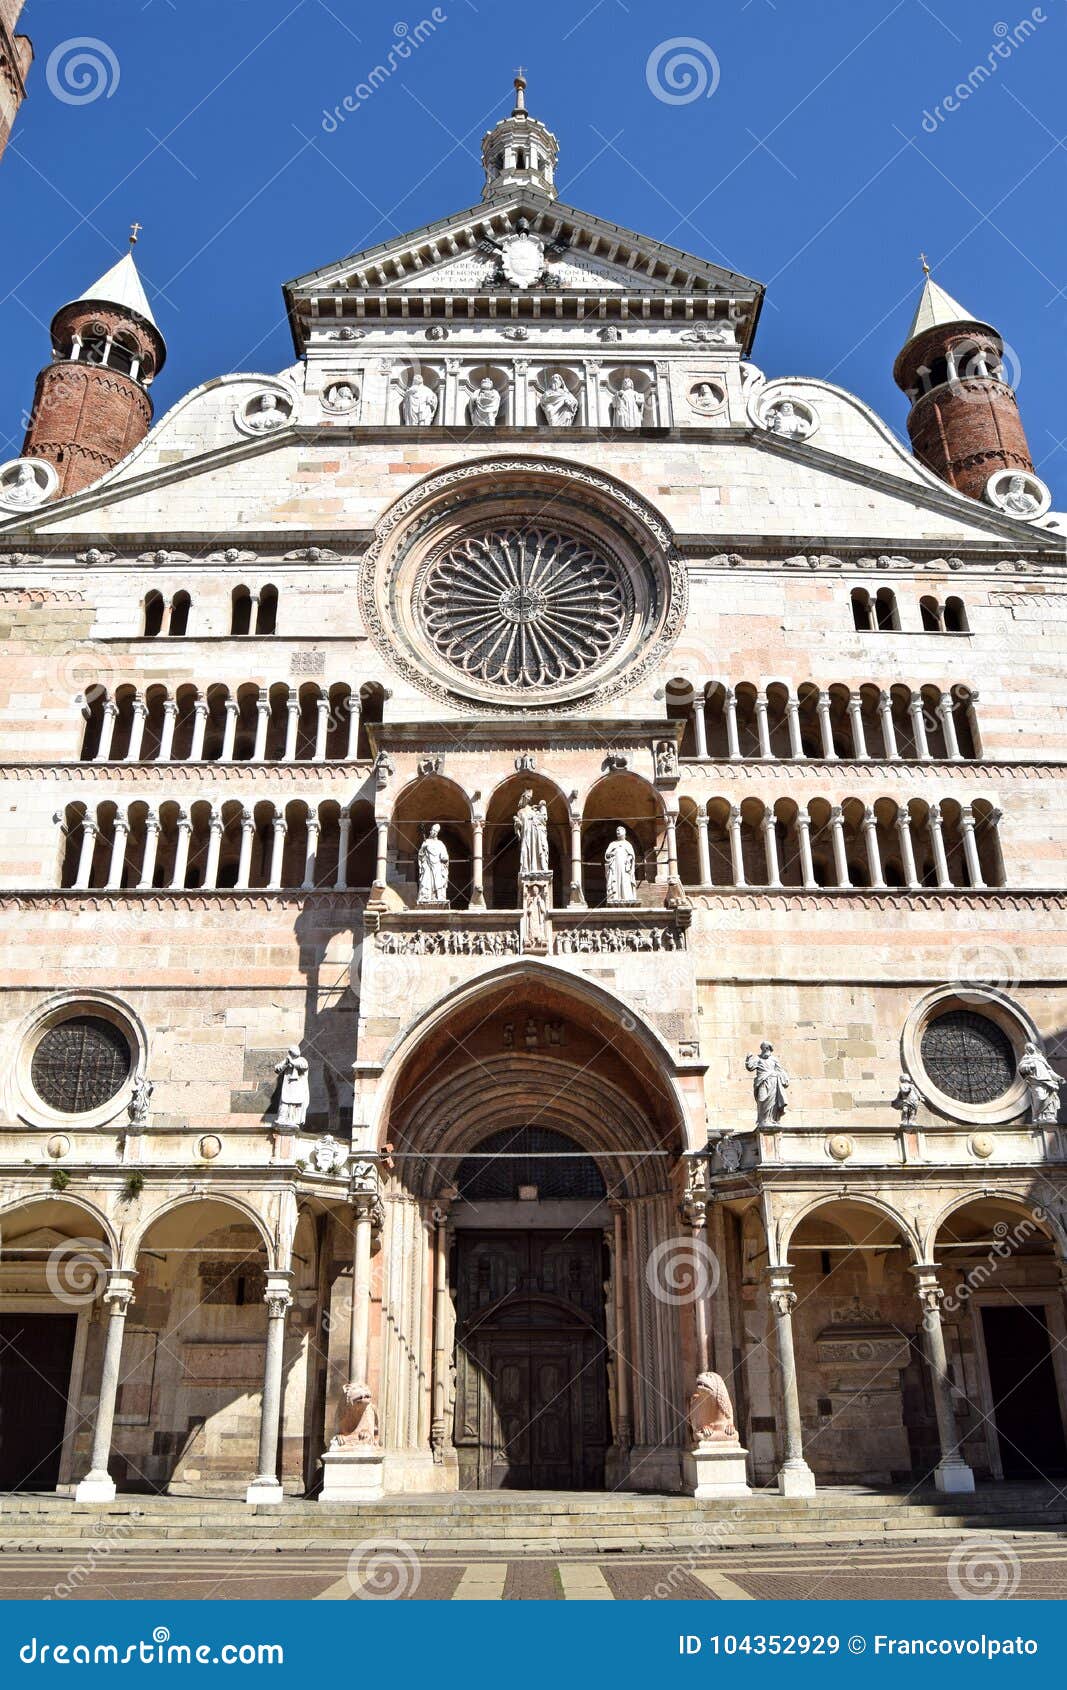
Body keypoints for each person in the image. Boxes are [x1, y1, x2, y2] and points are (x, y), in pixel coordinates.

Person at [745, 1041, 789, 1126]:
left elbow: (780, 1070)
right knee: (762, 1100)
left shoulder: (774, 1059)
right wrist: (748, 1059)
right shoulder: (758, 1058)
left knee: (773, 1102)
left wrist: (785, 1078)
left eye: (767, 1048)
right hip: (762, 1082)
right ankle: (763, 1120)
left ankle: (772, 1119)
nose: (765, 1050)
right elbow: (750, 1067)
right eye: (764, 1048)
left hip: (774, 1082)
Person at [1019, 1040, 1062, 1123]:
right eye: (1027, 1047)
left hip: (1047, 1080)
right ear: (1027, 1050)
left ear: (1034, 1047)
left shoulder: (1040, 1058)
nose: (1030, 1048)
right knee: (1039, 1097)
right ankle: (1038, 1116)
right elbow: (1021, 1068)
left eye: (1031, 1046)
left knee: (1050, 1098)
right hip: (1036, 1080)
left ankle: (1048, 1116)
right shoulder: (1026, 1058)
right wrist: (1028, 1067)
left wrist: (1058, 1078)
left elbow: (1049, 1070)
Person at [514, 789, 549, 876]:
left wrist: (542, 809)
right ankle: (527, 868)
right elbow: (519, 828)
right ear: (523, 797)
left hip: (536, 833)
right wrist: (517, 824)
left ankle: (538, 867)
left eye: (530, 797)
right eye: (528, 796)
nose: (529, 798)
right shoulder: (520, 812)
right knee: (525, 850)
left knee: (539, 849)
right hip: (527, 834)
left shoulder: (533, 810)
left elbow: (543, 820)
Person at [417, 823, 450, 905]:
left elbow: (445, 856)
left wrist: (444, 858)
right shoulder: (426, 842)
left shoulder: (440, 843)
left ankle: (438, 897)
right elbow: (420, 856)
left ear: (437, 833)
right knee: (426, 881)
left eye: (436, 831)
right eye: (433, 830)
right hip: (427, 866)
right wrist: (423, 848)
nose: (434, 832)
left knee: (438, 882)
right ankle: (425, 896)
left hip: (438, 866)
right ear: (430, 831)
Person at [604, 826, 637, 904]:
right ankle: (615, 896)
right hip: (615, 866)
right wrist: (612, 853)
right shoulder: (613, 844)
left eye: (620, 830)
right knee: (615, 880)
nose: (618, 831)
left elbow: (632, 855)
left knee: (625, 880)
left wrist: (629, 858)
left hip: (625, 867)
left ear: (624, 832)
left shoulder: (627, 844)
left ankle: (627, 896)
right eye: (617, 830)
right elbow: (607, 855)